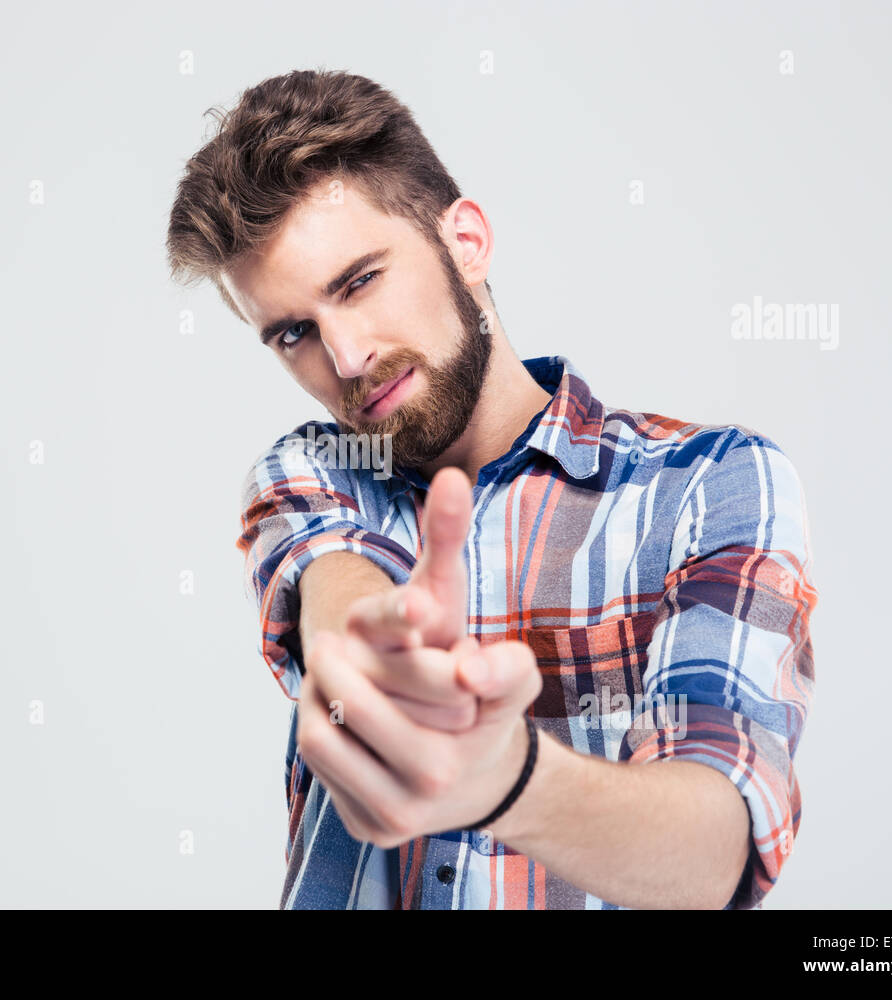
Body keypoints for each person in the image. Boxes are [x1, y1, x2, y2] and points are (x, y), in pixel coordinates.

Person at [166, 68, 818, 910]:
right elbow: (341, 596)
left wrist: (506, 779)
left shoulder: (713, 483)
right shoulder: (313, 469)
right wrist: (375, 660)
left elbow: (715, 852)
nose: (348, 357)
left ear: (465, 242)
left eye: (359, 281)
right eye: (295, 332)